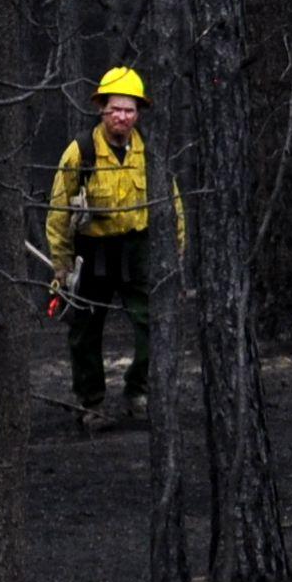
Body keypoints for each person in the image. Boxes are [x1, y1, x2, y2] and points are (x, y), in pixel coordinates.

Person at [46, 65, 184, 432]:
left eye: (130, 110)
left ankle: (138, 393)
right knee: (85, 329)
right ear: (102, 109)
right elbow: (58, 211)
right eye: (115, 109)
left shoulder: (151, 153)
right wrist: (61, 265)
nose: (122, 116)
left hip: (138, 250)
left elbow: (174, 207)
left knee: (152, 322)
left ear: (138, 113)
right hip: (91, 252)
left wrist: (176, 256)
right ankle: (91, 402)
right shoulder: (81, 151)